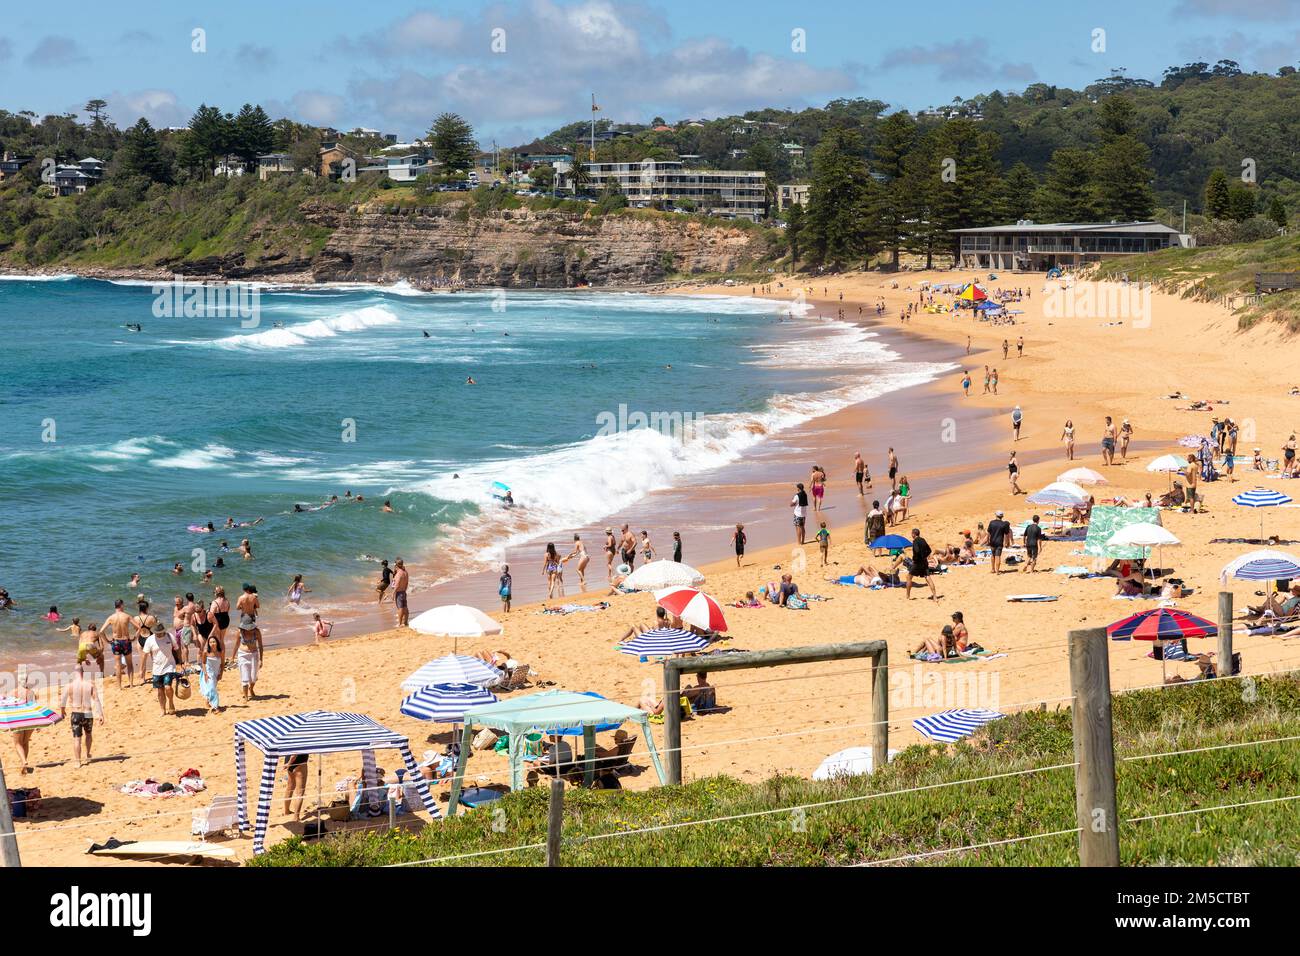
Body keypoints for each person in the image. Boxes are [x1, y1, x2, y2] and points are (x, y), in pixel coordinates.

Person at [59, 662, 104, 767]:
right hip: (88, 713)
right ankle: (88, 754)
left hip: (76, 713)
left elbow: (62, 702)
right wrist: (101, 714)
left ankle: (78, 761)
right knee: (88, 735)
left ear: (75, 673)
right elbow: (97, 700)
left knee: (77, 738)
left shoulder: (69, 686)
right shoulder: (90, 685)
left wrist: (62, 711)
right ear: (83, 673)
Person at [141, 620, 178, 716]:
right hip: (157, 668)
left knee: (168, 687)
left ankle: (171, 702)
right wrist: (142, 670)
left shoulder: (170, 636)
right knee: (160, 690)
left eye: (160, 632)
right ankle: (162, 709)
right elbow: (144, 655)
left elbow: (177, 649)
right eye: (157, 633)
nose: (159, 634)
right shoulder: (150, 640)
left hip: (169, 666)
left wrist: (181, 662)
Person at [234, 583, 264, 700]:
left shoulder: (241, 598)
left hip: (244, 617)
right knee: (254, 632)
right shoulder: (254, 597)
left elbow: (237, 607)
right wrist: (252, 606)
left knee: (242, 634)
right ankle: (250, 689)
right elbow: (258, 606)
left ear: (243, 589)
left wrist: (243, 607)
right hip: (251, 617)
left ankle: (246, 691)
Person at [103, 598, 137, 689]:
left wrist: (107, 641)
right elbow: (139, 627)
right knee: (129, 663)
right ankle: (131, 685)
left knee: (118, 665)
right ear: (121, 605)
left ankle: (119, 686)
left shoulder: (111, 617)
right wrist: (134, 638)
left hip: (116, 642)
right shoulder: (127, 616)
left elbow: (101, 631)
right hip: (126, 641)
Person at [905, 528, 938, 600]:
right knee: (928, 578)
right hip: (924, 561)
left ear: (914, 534)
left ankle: (908, 596)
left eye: (912, 534)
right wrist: (924, 556)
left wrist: (914, 559)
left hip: (917, 562)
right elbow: (929, 550)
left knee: (909, 577)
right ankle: (935, 596)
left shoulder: (915, 541)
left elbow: (916, 551)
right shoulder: (923, 540)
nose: (911, 535)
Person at [198, 630, 225, 712]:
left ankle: (207, 701)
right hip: (208, 672)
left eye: (214, 642)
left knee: (212, 688)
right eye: (210, 642)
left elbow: (222, 664)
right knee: (212, 688)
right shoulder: (206, 652)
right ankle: (216, 707)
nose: (212, 643)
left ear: (217, 643)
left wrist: (221, 674)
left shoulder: (221, 652)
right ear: (208, 644)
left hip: (216, 672)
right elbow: (203, 663)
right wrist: (205, 674)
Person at [284, 754, 309, 821]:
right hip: (298, 760)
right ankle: (296, 817)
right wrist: (289, 762)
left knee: (290, 787)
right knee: (300, 792)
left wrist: (288, 763)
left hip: (288, 758)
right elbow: (295, 753)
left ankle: (286, 811)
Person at [987, 510, 1012, 574]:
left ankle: (993, 569)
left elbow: (988, 533)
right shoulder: (1004, 524)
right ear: (1002, 516)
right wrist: (1007, 542)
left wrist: (987, 540)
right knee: (998, 556)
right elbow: (1006, 535)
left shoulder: (992, 522)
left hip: (992, 541)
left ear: (996, 515)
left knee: (993, 555)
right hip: (999, 542)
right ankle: (997, 571)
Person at [392, 558, 409, 627]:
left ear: (396, 565)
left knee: (400, 608)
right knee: (405, 606)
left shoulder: (399, 573)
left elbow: (397, 584)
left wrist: (393, 593)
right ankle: (405, 622)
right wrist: (404, 589)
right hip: (403, 591)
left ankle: (399, 623)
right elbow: (407, 582)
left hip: (399, 592)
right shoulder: (405, 572)